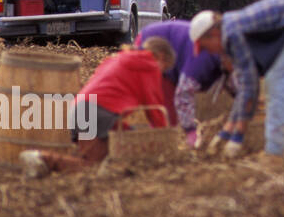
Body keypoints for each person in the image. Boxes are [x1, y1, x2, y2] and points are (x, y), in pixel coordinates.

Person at [189, 0, 284, 161]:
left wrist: (237, 138)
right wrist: (226, 133)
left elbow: (250, 87)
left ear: (213, 34)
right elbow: (245, 90)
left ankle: (274, 154)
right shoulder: (232, 28)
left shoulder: (231, 34)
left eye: (205, 47)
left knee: (276, 81)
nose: (210, 52)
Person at [22, 38, 176, 176]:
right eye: (165, 68)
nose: (162, 73)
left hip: (82, 107)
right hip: (97, 112)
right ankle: (42, 159)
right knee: (93, 166)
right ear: (161, 56)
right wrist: (165, 138)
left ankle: (44, 163)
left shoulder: (119, 58)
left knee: (109, 147)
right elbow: (154, 105)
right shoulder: (149, 65)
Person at [136, 18, 224, 148]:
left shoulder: (218, 53)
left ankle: (160, 142)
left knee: (165, 110)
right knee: (163, 106)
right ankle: (157, 142)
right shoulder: (201, 60)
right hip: (152, 40)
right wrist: (190, 131)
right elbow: (183, 93)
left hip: (165, 47)